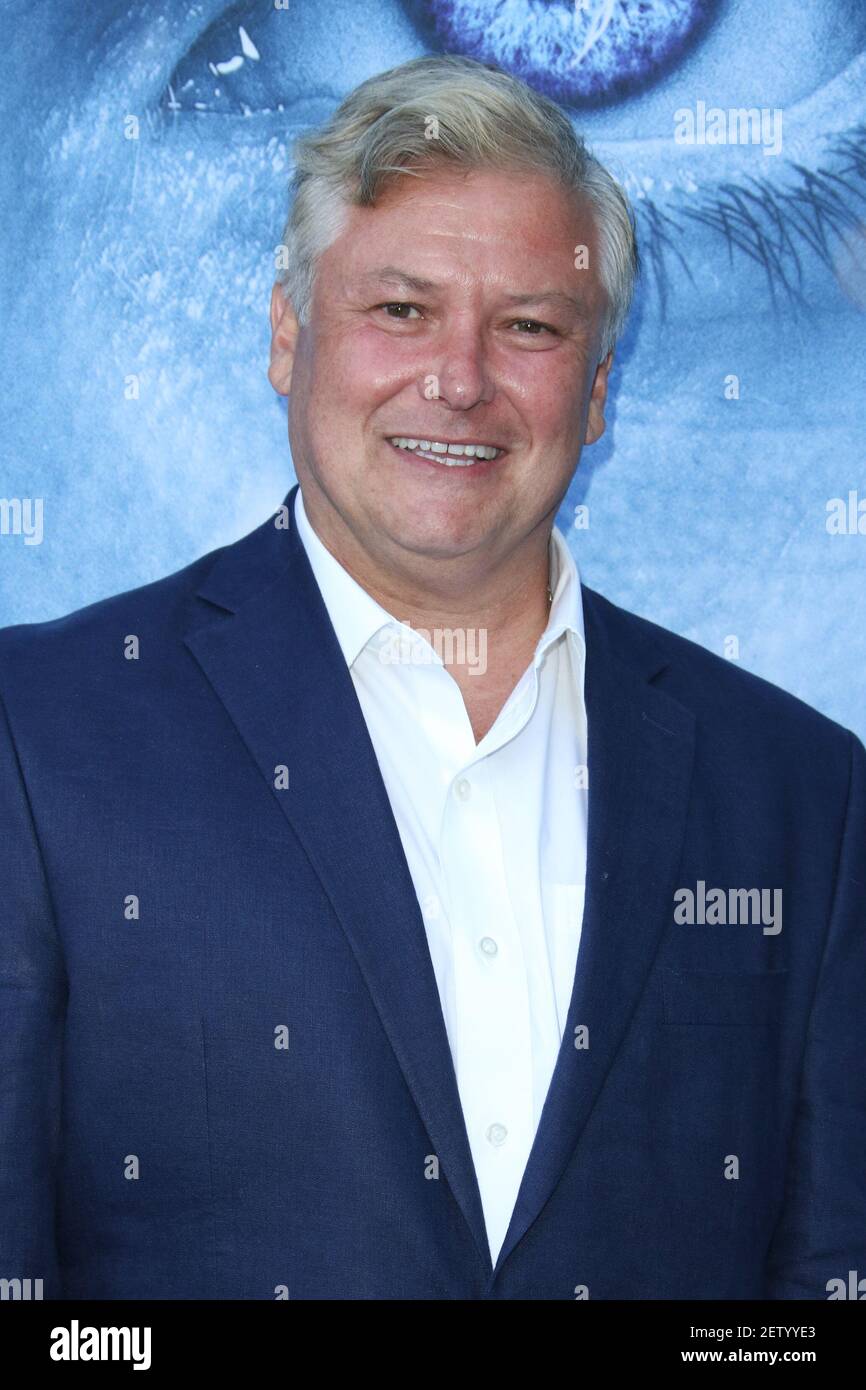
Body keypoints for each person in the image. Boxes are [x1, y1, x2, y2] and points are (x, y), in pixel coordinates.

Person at [1, 55, 863, 1301]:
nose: (458, 379)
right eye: (398, 311)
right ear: (287, 337)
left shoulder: (798, 792)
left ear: (599, 386)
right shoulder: (41, 736)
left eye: (527, 325)